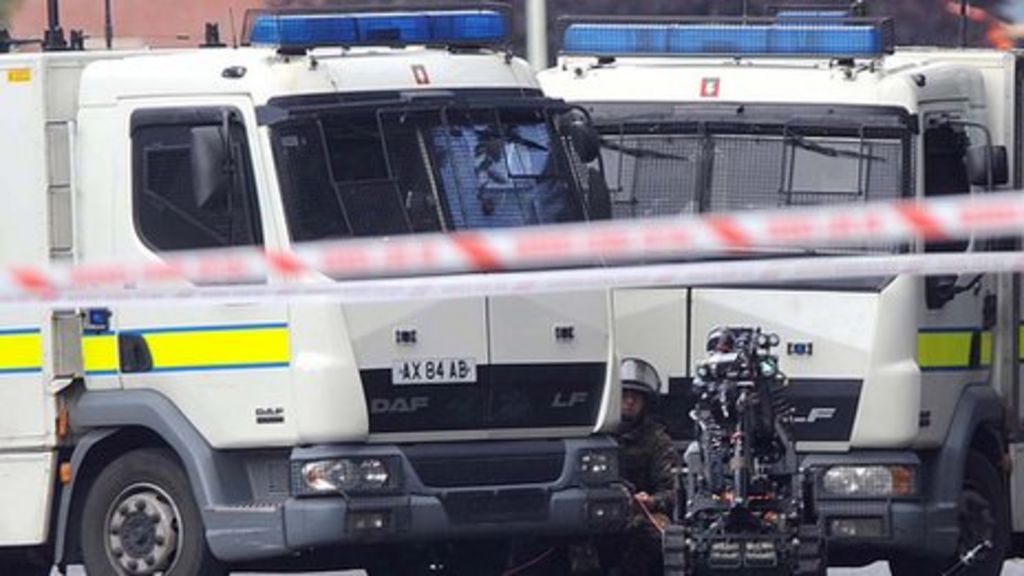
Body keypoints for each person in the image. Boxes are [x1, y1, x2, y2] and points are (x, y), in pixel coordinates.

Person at [602, 357, 680, 576]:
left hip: (640, 514)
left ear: (646, 403)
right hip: (595, 512)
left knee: (658, 533)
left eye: (635, 397)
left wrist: (651, 501)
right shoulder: (596, 435)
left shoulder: (656, 439)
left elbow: (672, 490)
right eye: (624, 395)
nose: (628, 402)